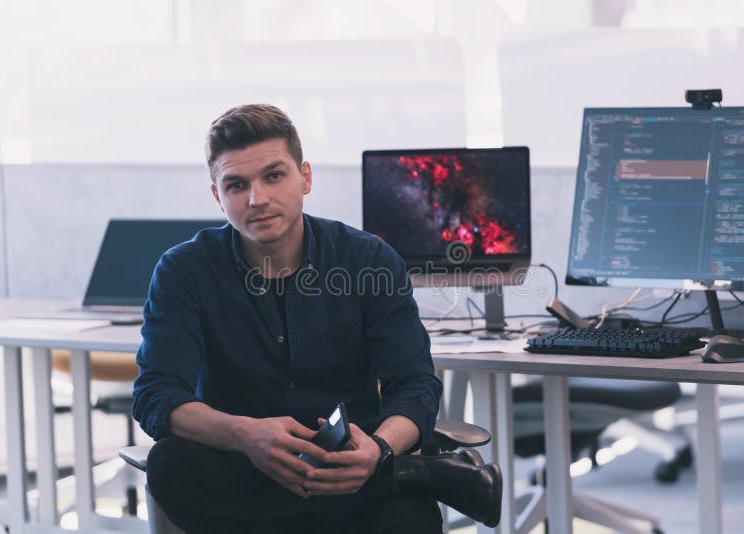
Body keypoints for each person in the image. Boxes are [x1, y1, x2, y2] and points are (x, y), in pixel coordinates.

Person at [132, 104, 501, 534]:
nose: (258, 199)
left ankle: (385, 476)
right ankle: (410, 477)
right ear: (218, 196)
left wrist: (378, 450)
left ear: (305, 177)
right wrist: (246, 435)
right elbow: (156, 396)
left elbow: (414, 386)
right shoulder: (184, 271)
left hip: (355, 471)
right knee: (170, 464)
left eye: (274, 175)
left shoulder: (368, 260)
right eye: (236, 185)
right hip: (247, 476)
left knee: (411, 523)